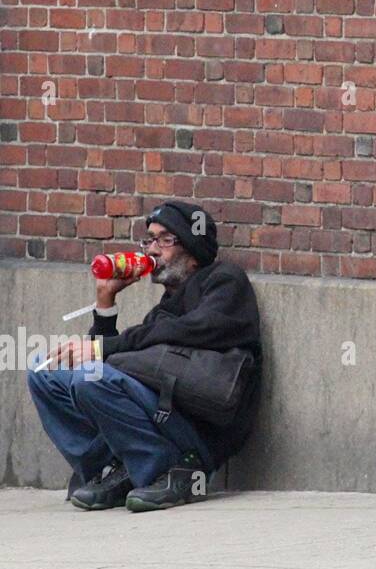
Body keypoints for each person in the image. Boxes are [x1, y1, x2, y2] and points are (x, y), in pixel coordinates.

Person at [27, 200, 261, 513]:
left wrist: (104, 350)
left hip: (198, 436)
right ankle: (115, 467)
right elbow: (115, 358)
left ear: (192, 248)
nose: (151, 250)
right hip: (160, 413)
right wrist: (105, 301)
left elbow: (196, 329)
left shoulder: (225, 281)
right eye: (149, 239)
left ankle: (171, 470)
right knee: (43, 373)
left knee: (90, 378)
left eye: (165, 239)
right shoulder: (164, 309)